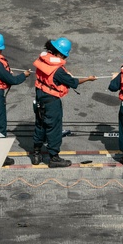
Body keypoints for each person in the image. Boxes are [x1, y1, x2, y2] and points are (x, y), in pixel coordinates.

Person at [31, 37, 96, 168]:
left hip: (39, 97)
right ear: (60, 53)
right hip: (51, 102)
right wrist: (88, 79)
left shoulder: (43, 60)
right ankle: (54, 158)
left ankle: (36, 154)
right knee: (54, 128)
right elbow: (73, 82)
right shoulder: (58, 71)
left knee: (40, 125)